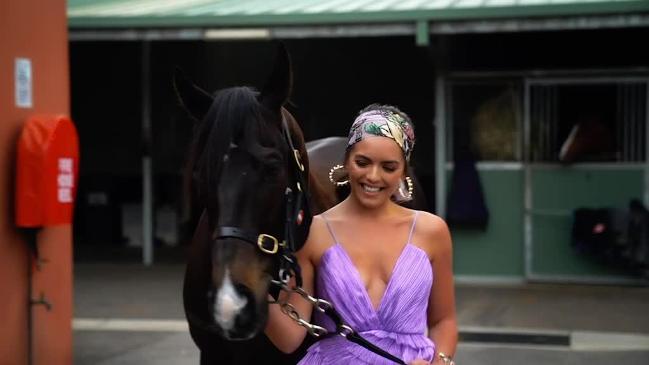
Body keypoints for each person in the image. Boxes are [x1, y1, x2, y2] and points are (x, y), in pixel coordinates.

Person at [266, 104, 458, 365]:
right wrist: (253, 289)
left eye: (389, 167)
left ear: (404, 170)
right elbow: (289, 337)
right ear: (346, 161)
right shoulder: (315, 231)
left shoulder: (432, 231)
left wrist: (439, 362)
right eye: (362, 162)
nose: (373, 176)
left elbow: (443, 320)